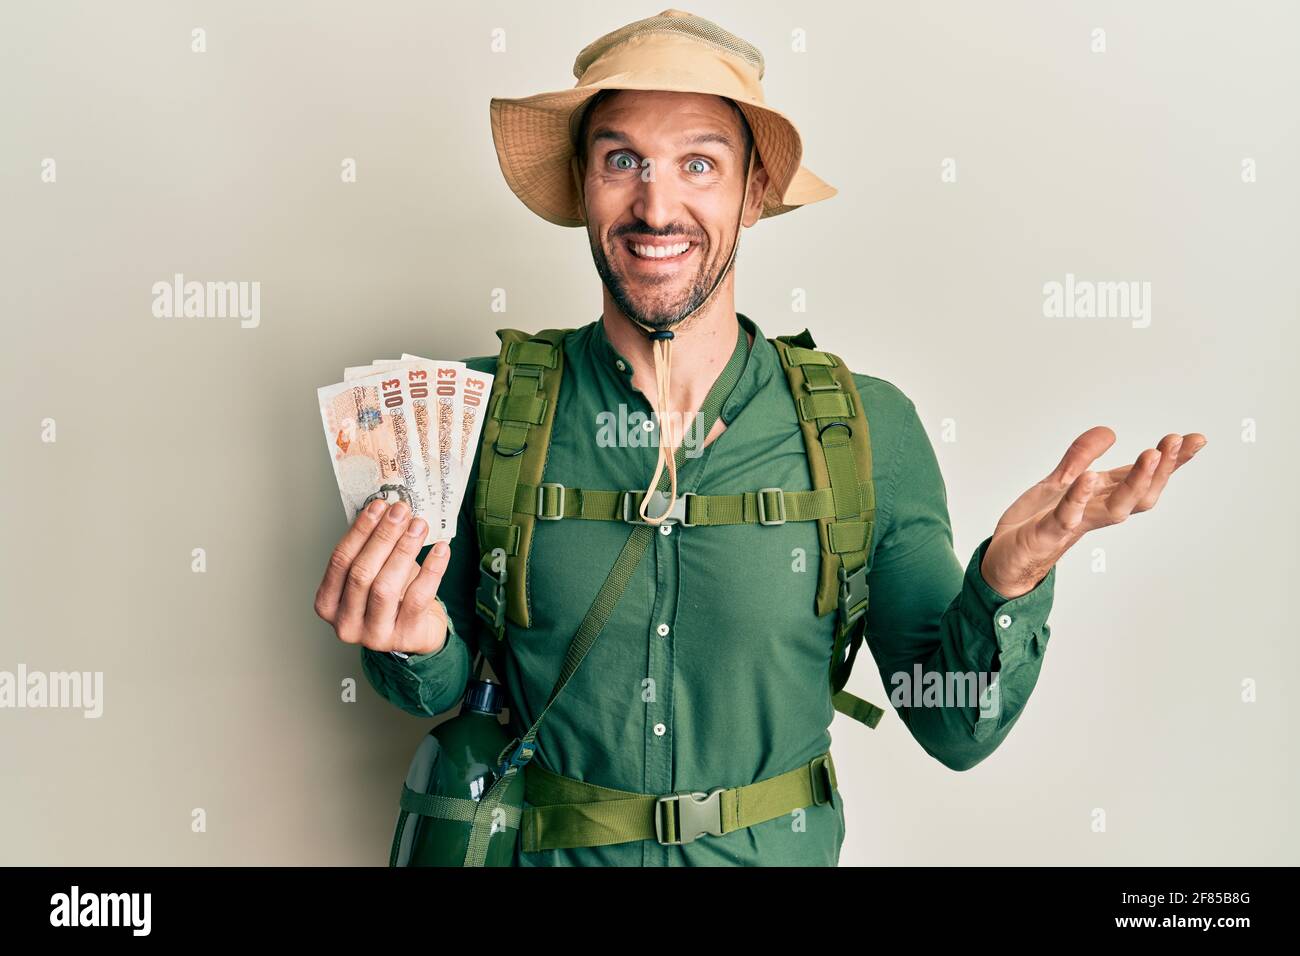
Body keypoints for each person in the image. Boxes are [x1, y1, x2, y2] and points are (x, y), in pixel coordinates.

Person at [314, 8, 1206, 866]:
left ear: (755, 192)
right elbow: (430, 687)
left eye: (699, 164)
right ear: (584, 185)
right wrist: (411, 643)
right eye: (621, 159)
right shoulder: (480, 410)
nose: (655, 207)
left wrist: (1012, 580)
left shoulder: (864, 428)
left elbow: (953, 728)